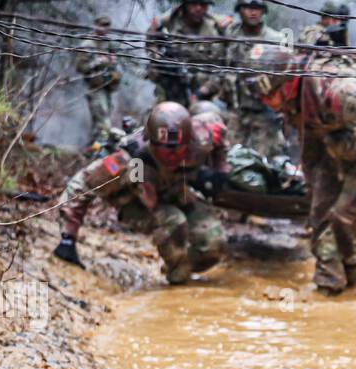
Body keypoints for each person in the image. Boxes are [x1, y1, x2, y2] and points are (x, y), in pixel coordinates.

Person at [250, 43, 356, 293]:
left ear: (285, 83)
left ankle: (354, 266)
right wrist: (312, 185)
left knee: (346, 215)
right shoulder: (294, 100)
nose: (265, 101)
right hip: (337, 145)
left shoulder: (337, 88)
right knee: (319, 216)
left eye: (267, 94)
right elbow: (311, 144)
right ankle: (331, 284)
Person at [53, 102, 228, 285]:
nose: (172, 156)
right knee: (174, 221)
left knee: (214, 243)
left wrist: (220, 170)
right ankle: (178, 279)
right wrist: (68, 238)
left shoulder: (204, 135)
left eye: (178, 149)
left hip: (176, 192)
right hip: (139, 204)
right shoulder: (127, 159)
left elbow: (219, 130)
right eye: (164, 149)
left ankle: (180, 266)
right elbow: (80, 186)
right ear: (151, 142)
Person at [216, 0, 288, 156]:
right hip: (235, 110)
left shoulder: (275, 39)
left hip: (264, 112)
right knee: (229, 157)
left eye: (257, 8)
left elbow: (287, 74)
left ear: (263, 11)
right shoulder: (231, 35)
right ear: (240, 10)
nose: (253, 12)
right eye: (248, 8)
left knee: (263, 162)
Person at [145, 1, 227, 106]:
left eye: (203, 5)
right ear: (185, 4)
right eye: (194, 4)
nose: (198, 8)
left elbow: (222, 66)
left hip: (203, 94)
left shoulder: (216, 28)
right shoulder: (166, 23)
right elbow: (151, 47)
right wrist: (162, 60)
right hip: (169, 89)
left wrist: (206, 89)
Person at [76, 15, 121, 148]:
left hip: (107, 86)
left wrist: (113, 62)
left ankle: (91, 150)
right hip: (93, 88)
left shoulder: (109, 43)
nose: (105, 28)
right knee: (104, 122)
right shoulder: (87, 45)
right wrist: (98, 61)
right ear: (95, 25)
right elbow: (80, 68)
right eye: (102, 25)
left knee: (99, 122)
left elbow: (115, 61)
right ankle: (100, 150)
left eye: (107, 25)